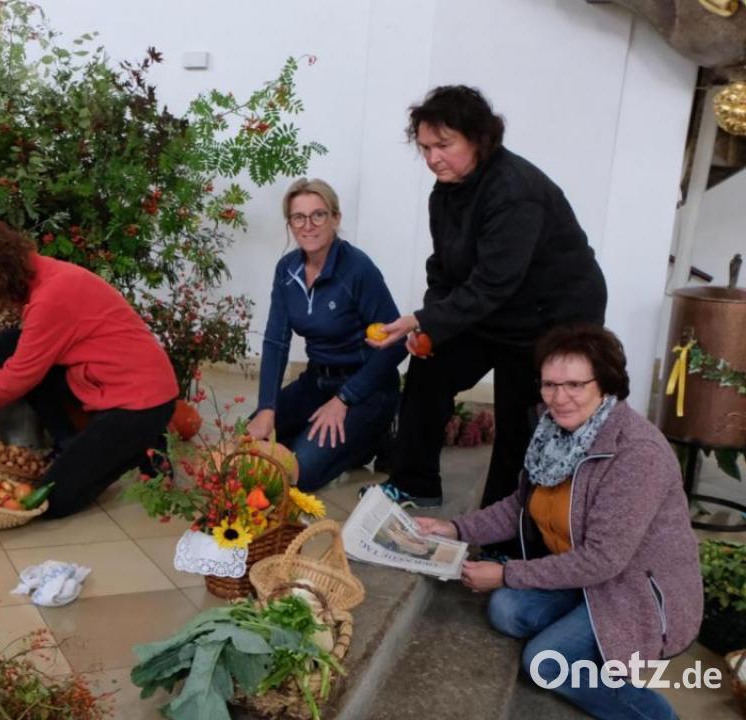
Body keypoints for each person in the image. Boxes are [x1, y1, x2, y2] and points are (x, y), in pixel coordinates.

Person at [413, 325, 700, 720]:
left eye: (574, 385)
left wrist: (507, 573)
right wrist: (455, 529)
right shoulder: (553, 433)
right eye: (549, 385)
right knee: (507, 612)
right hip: (583, 579)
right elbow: (522, 505)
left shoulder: (637, 452)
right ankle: (595, 642)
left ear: (606, 385)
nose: (558, 398)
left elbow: (604, 560)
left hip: (632, 591)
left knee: (545, 661)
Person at [365, 85, 607, 512]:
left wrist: (424, 319)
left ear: (479, 139)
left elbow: (495, 283)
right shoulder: (445, 192)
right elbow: (443, 269)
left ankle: (503, 521)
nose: (432, 158)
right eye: (424, 147)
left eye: (444, 145)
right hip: (494, 306)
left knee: (519, 416)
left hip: (551, 314)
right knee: (428, 369)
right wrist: (430, 327)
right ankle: (415, 480)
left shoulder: (515, 191)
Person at [0, 220, 178, 518]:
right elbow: (25, 361)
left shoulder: (51, 297)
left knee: (50, 501)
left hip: (139, 403)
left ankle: (143, 446)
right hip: (116, 383)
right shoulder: (46, 272)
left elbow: (21, 375)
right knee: (9, 343)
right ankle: (74, 442)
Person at [246, 179, 405, 491]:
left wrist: (344, 399)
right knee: (250, 439)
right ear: (290, 223)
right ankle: (341, 438)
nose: (308, 225)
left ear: (335, 218)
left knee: (298, 471)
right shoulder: (286, 269)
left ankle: (373, 434)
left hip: (365, 388)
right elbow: (276, 342)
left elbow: (397, 344)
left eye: (318, 215)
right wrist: (267, 407)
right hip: (317, 381)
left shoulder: (358, 269)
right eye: (298, 217)